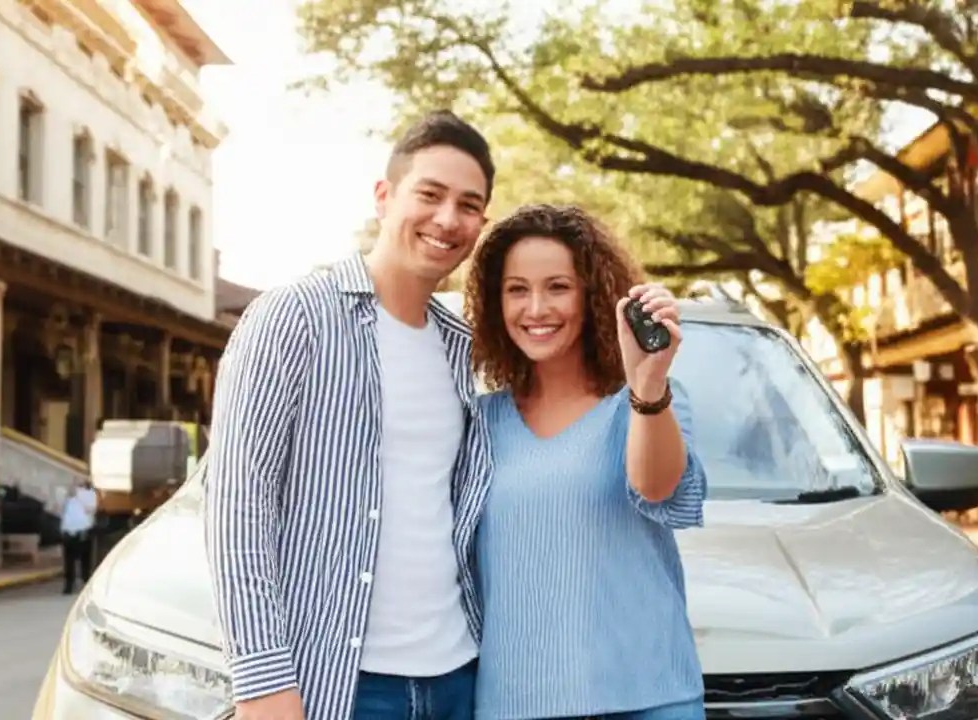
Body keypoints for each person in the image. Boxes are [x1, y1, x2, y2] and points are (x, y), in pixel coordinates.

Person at [204, 110, 495, 720]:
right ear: (385, 197)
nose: (448, 219)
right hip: (339, 684)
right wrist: (260, 679)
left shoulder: (462, 347)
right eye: (430, 195)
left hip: (458, 678)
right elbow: (239, 503)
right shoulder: (292, 318)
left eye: (468, 205)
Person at [464, 204, 708, 720]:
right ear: (494, 302)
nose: (536, 308)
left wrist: (647, 383)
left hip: (648, 699)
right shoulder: (479, 423)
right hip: (515, 706)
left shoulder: (644, 403)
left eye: (558, 286)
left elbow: (659, 487)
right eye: (516, 289)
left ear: (592, 294)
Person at [59, 479, 98, 594]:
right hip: (68, 531)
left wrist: (79, 496)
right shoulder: (67, 497)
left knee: (85, 560)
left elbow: (90, 509)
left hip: (83, 530)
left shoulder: (90, 494)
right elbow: (58, 510)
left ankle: (87, 585)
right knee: (68, 561)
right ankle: (68, 585)